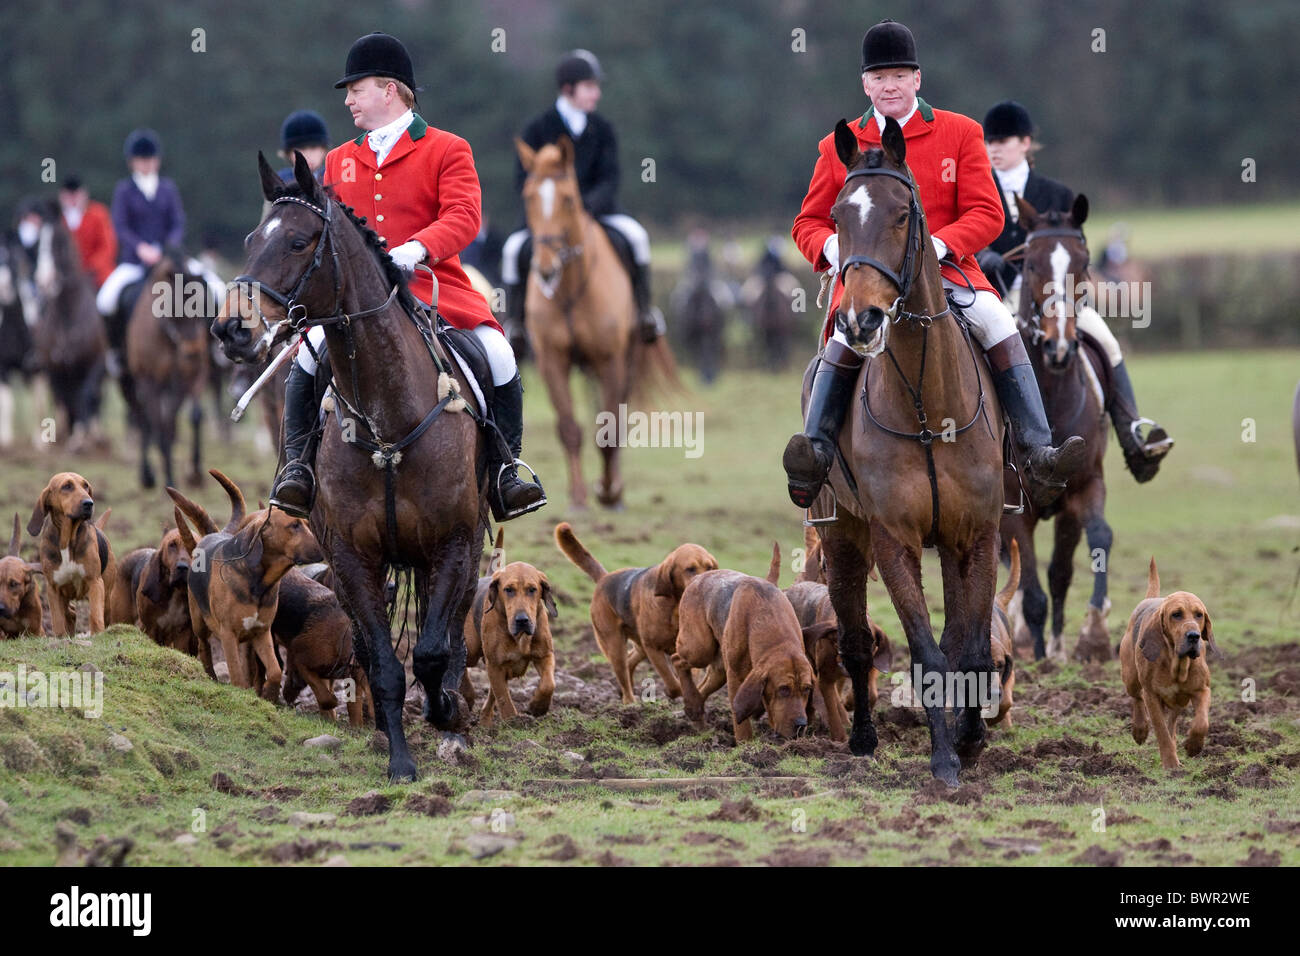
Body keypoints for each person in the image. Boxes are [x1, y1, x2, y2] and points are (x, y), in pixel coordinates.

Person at [783, 20, 1086, 513]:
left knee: (999, 322)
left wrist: (940, 247)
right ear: (865, 84)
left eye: (899, 75)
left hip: (949, 275)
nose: (890, 85)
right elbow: (808, 222)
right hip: (868, 280)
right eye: (879, 77)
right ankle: (815, 453)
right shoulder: (838, 145)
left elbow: (988, 213)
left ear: (917, 79)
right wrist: (839, 254)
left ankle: (1036, 454)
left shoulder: (960, 132)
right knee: (843, 337)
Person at [269, 32, 546, 522]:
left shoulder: (447, 148)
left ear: (390, 89)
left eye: (356, 88)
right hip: (353, 302)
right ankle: (297, 469)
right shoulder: (339, 160)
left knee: (500, 355)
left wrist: (416, 249)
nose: (349, 99)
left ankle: (506, 471)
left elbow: (465, 216)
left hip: (433, 290)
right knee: (307, 362)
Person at [977, 100, 1172, 482]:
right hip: (995, 296)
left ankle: (1133, 436)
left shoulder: (1057, 193)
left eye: (1004, 140)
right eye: (990, 141)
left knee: (1107, 341)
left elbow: (1077, 253)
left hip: (1056, 299)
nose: (995, 148)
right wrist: (984, 256)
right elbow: (968, 233)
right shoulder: (977, 189)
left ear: (1026, 142)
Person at [501, 50, 664, 345]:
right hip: (548, 217)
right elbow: (521, 180)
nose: (596, 94)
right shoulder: (537, 129)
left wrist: (587, 207)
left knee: (637, 237)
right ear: (568, 89)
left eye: (596, 87)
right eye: (590, 87)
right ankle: (516, 325)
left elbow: (611, 177)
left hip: (597, 210)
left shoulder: (603, 129)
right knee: (513, 251)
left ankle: (644, 313)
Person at [59, 176, 117, 287]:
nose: (73, 200)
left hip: (97, 276)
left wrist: (91, 268)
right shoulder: (59, 221)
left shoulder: (98, 214)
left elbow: (108, 247)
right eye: (69, 196)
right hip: (67, 277)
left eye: (76, 195)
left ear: (84, 195)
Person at [277, 110, 331, 183]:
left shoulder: (334, 177)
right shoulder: (280, 181)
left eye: (313, 148)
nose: (307, 155)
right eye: (300, 149)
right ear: (288, 153)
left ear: (324, 150)